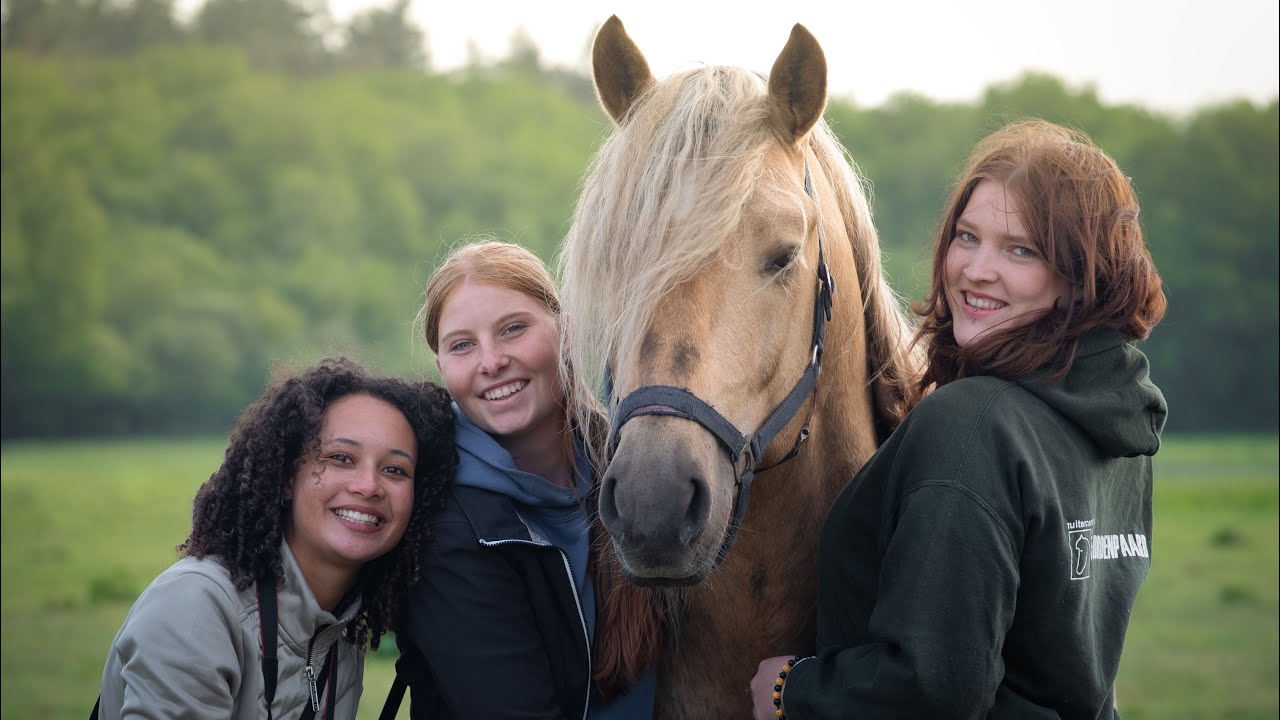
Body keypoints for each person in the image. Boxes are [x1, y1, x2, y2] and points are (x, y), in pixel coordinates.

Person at [750, 119, 1168, 719]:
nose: (975, 269)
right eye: (966, 236)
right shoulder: (1120, 422)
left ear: (1080, 278)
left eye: (1020, 250)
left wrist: (798, 692)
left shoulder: (972, 426)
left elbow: (934, 686)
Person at [386, 239, 662, 719]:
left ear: (567, 333)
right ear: (442, 368)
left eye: (513, 329)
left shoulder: (636, 479)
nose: (490, 361)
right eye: (462, 345)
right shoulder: (448, 529)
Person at [95, 357, 456, 719]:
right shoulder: (196, 606)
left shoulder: (341, 632)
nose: (368, 486)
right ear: (286, 478)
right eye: (341, 457)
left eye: (395, 469)